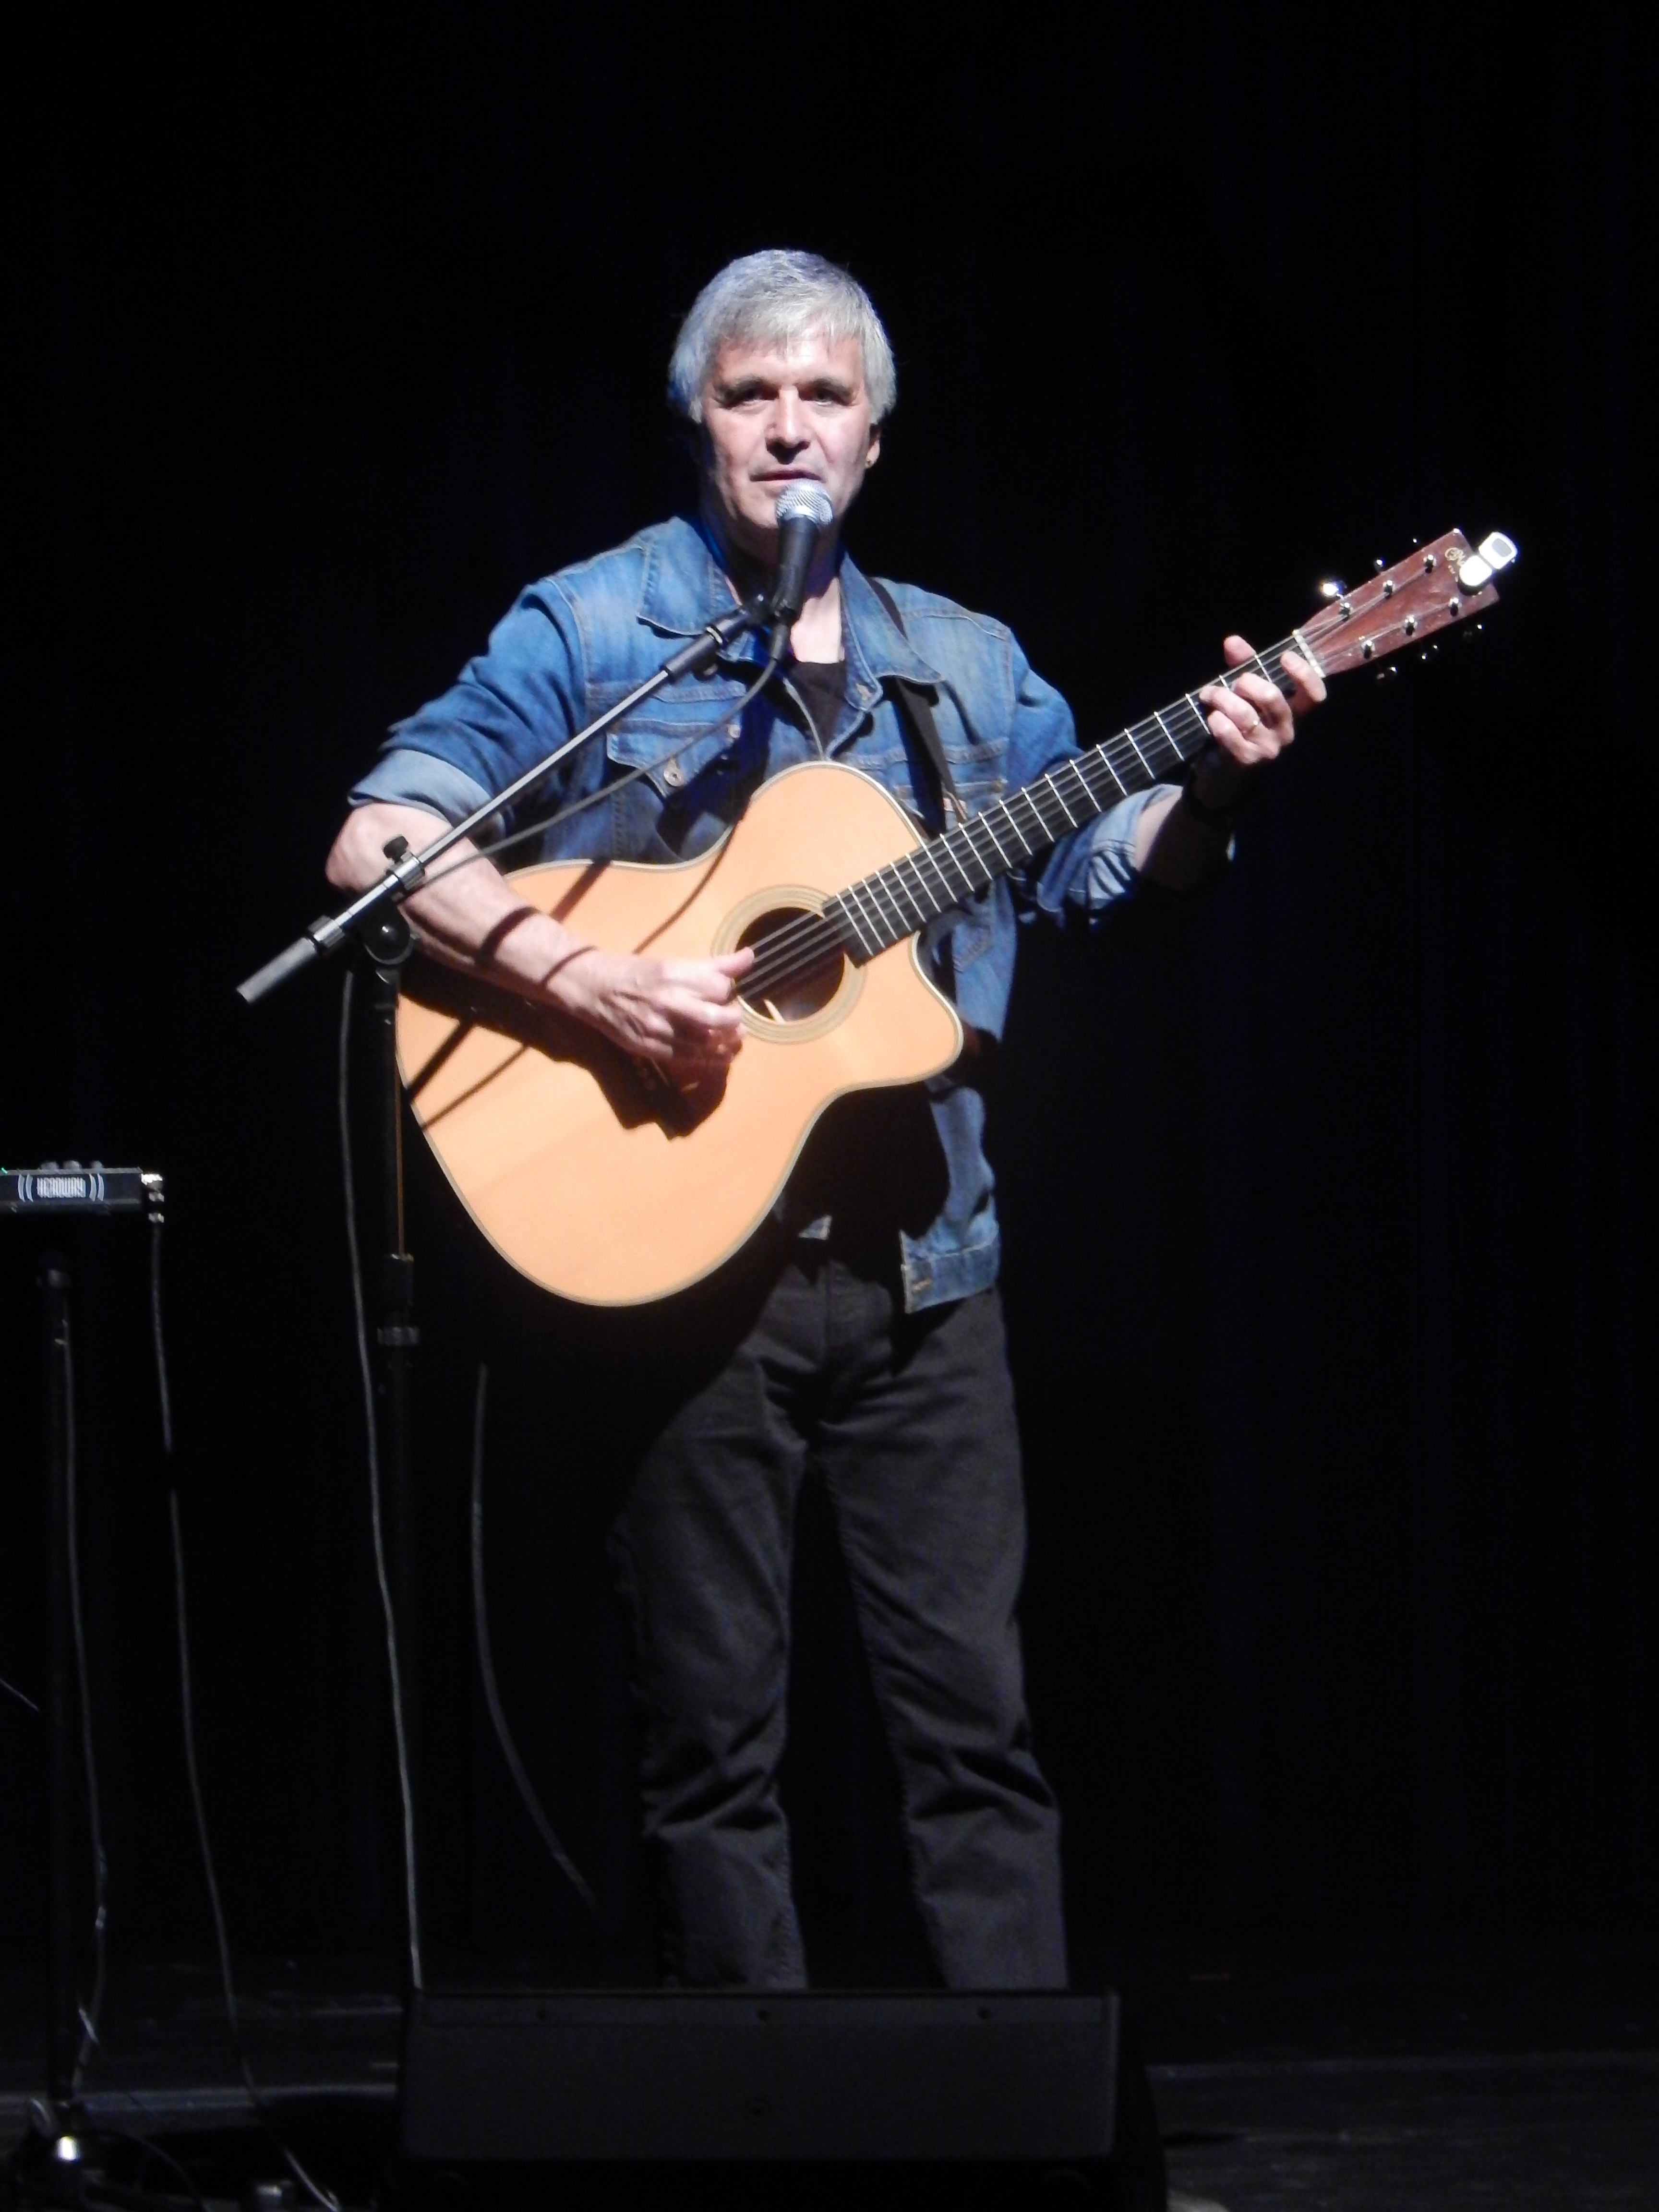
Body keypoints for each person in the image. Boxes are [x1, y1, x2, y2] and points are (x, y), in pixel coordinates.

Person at [326, 249, 1324, 1988]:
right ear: (698, 427)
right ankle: (753, 2143)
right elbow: (376, 847)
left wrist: (1217, 789)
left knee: (977, 1737)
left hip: (925, 1267)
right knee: (713, 1755)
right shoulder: (593, 630)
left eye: (825, 396)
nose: (789, 427)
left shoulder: (965, 664)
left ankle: (1017, 2139)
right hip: (678, 1265)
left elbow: (1098, 869)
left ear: (875, 437)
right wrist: (583, 978)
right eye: (749, 395)